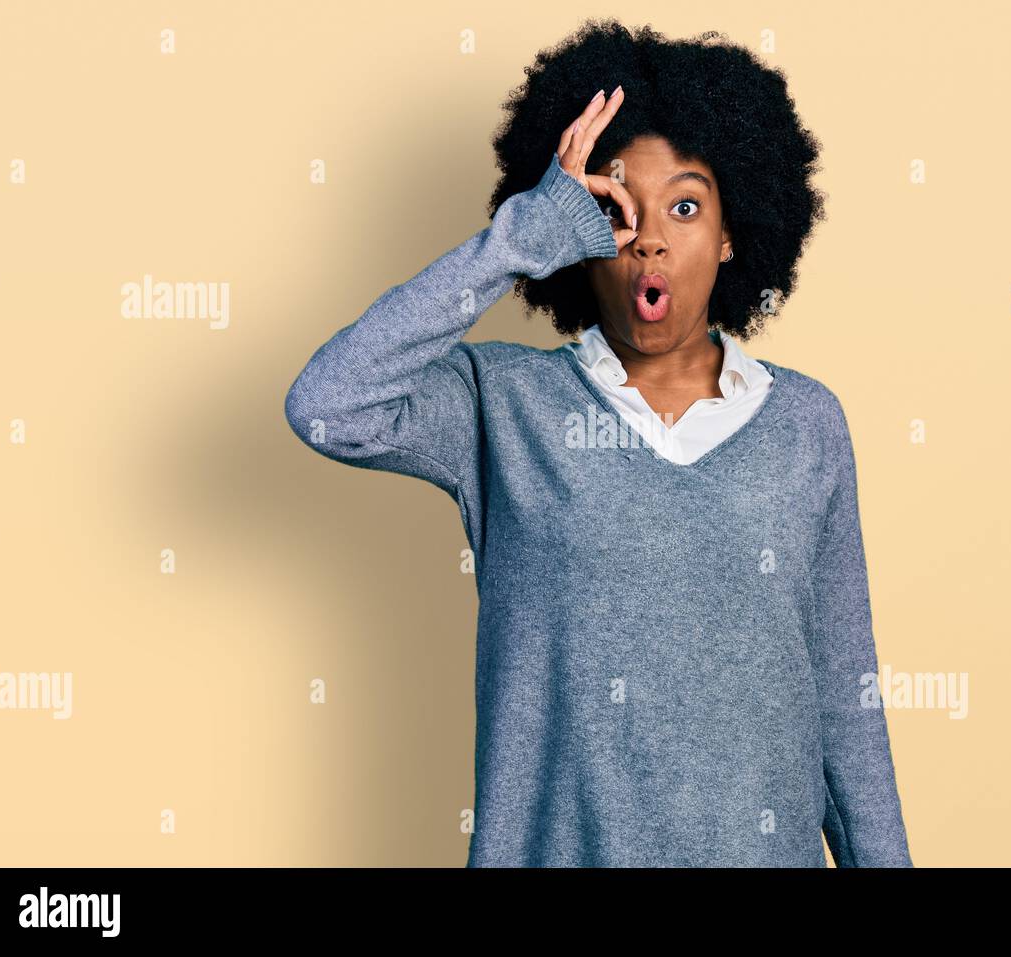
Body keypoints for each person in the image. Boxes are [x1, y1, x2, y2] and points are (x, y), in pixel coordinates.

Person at [284, 18, 912, 867]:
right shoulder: (503, 406)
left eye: (686, 207)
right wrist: (521, 238)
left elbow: (845, 704)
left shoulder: (806, 426)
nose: (650, 237)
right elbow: (329, 401)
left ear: (733, 235)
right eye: (617, 208)